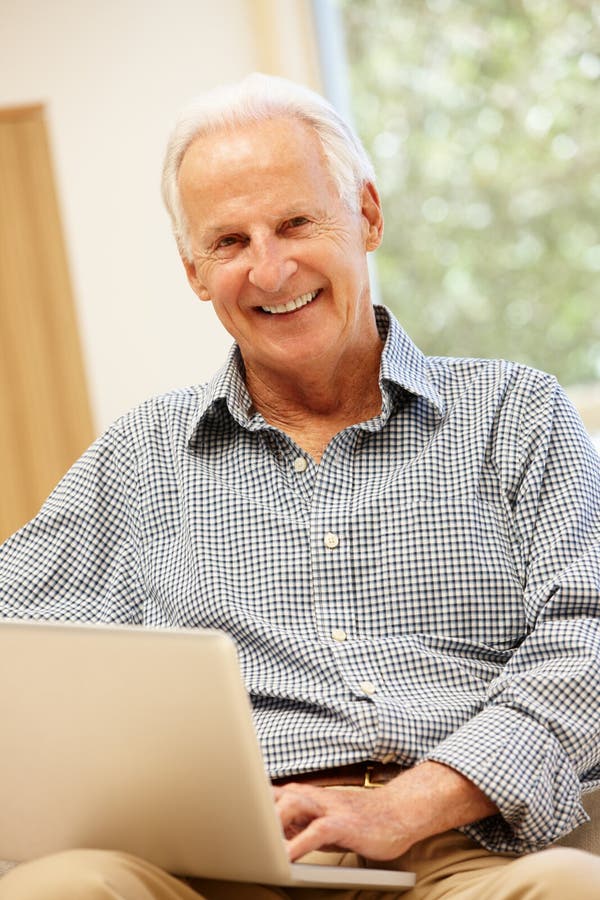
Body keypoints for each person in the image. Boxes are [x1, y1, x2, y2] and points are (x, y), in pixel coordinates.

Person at [0, 72, 599, 900]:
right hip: (221, 865)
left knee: (571, 887)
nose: (271, 269)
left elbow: (589, 641)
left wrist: (409, 803)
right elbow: (15, 645)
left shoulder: (515, 415)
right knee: (56, 889)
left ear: (368, 216)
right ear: (193, 272)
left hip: (459, 852)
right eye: (230, 242)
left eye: (294, 223)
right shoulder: (142, 457)